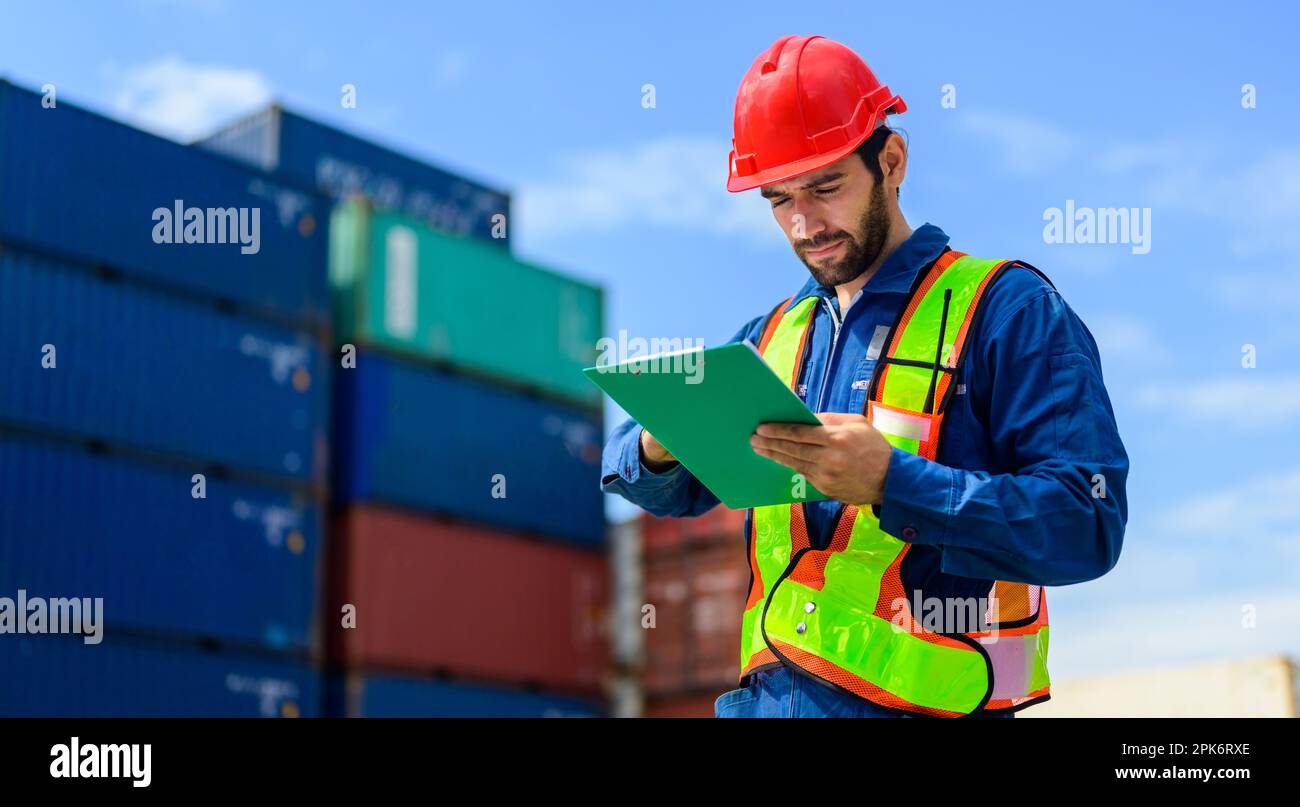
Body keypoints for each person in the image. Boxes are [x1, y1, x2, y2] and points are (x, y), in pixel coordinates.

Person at [601, 35, 1128, 718]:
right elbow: (647, 478)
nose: (803, 222)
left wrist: (892, 481)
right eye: (777, 199)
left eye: (825, 187)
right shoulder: (771, 339)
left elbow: (1088, 522)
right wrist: (657, 442)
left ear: (892, 160)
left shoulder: (1009, 311)